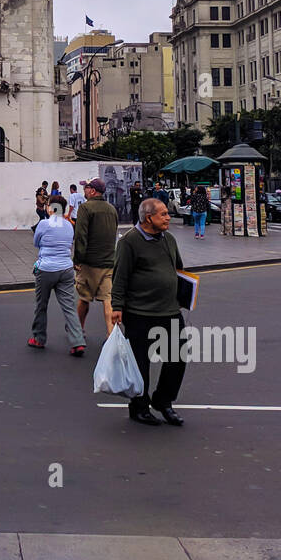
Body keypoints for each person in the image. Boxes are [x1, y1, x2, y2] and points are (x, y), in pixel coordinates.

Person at [112, 197, 187, 427]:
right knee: (140, 363)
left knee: (177, 357)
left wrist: (184, 292)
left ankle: (163, 401)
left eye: (167, 214)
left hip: (170, 310)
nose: (168, 218)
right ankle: (139, 407)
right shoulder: (129, 242)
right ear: (148, 218)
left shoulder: (169, 239)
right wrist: (117, 307)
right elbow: (120, 276)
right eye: (163, 214)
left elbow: (178, 269)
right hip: (140, 312)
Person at [28, 195, 85, 356]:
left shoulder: (44, 224)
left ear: (51, 208)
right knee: (69, 307)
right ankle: (78, 341)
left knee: (41, 305)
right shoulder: (68, 225)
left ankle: (39, 338)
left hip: (46, 269)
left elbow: (36, 243)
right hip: (66, 269)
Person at [72, 178, 118, 338]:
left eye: (86, 188)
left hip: (89, 263)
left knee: (84, 298)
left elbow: (80, 236)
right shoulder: (112, 209)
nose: (84, 190)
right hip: (108, 261)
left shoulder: (85, 208)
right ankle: (111, 333)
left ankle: (78, 330)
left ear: (93, 191)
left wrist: (77, 259)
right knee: (107, 299)